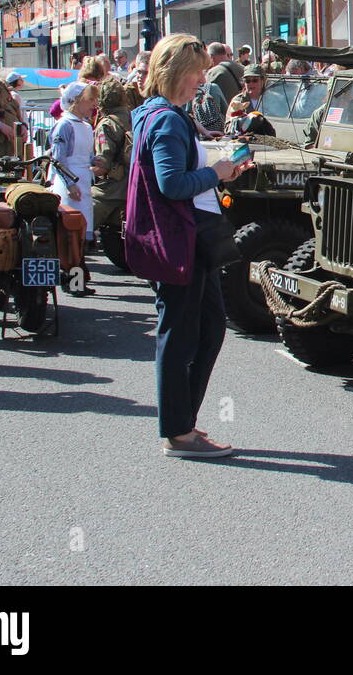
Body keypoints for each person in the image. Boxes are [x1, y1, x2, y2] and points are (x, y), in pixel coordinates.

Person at [132, 34, 248, 458]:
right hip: (183, 241)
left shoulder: (157, 113)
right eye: (197, 71)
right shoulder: (167, 119)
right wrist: (217, 171)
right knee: (182, 336)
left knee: (205, 328)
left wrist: (209, 155)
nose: (203, 79)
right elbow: (172, 184)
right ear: (178, 72)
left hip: (186, 240)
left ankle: (183, 425)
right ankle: (179, 432)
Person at [49, 82, 98, 250]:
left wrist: (94, 160)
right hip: (70, 184)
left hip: (83, 181)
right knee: (69, 227)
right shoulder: (64, 125)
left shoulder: (85, 126)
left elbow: (83, 155)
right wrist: (70, 184)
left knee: (82, 226)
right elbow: (58, 159)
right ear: (77, 100)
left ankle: (78, 261)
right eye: (90, 99)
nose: (94, 104)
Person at [92, 78, 133, 250]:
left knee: (81, 212)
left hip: (115, 187)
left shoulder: (108, 124)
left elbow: (103, 162)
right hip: (136, 180)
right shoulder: (135, 116)